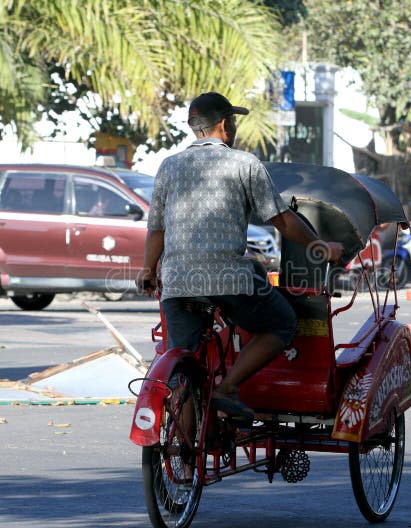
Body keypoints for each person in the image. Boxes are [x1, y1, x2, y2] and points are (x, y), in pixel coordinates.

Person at [136, 92, 344, 422]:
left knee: (182, 363)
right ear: (224, 125)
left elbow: (156, 229)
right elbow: (282, 220)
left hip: (177, 283)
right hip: (228, 281)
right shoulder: (243, 164)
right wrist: (321, 245)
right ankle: (227, 388)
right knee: (281, 323)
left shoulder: (168, 167)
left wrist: (148, 270)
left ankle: (183, 449)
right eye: (232, 121)